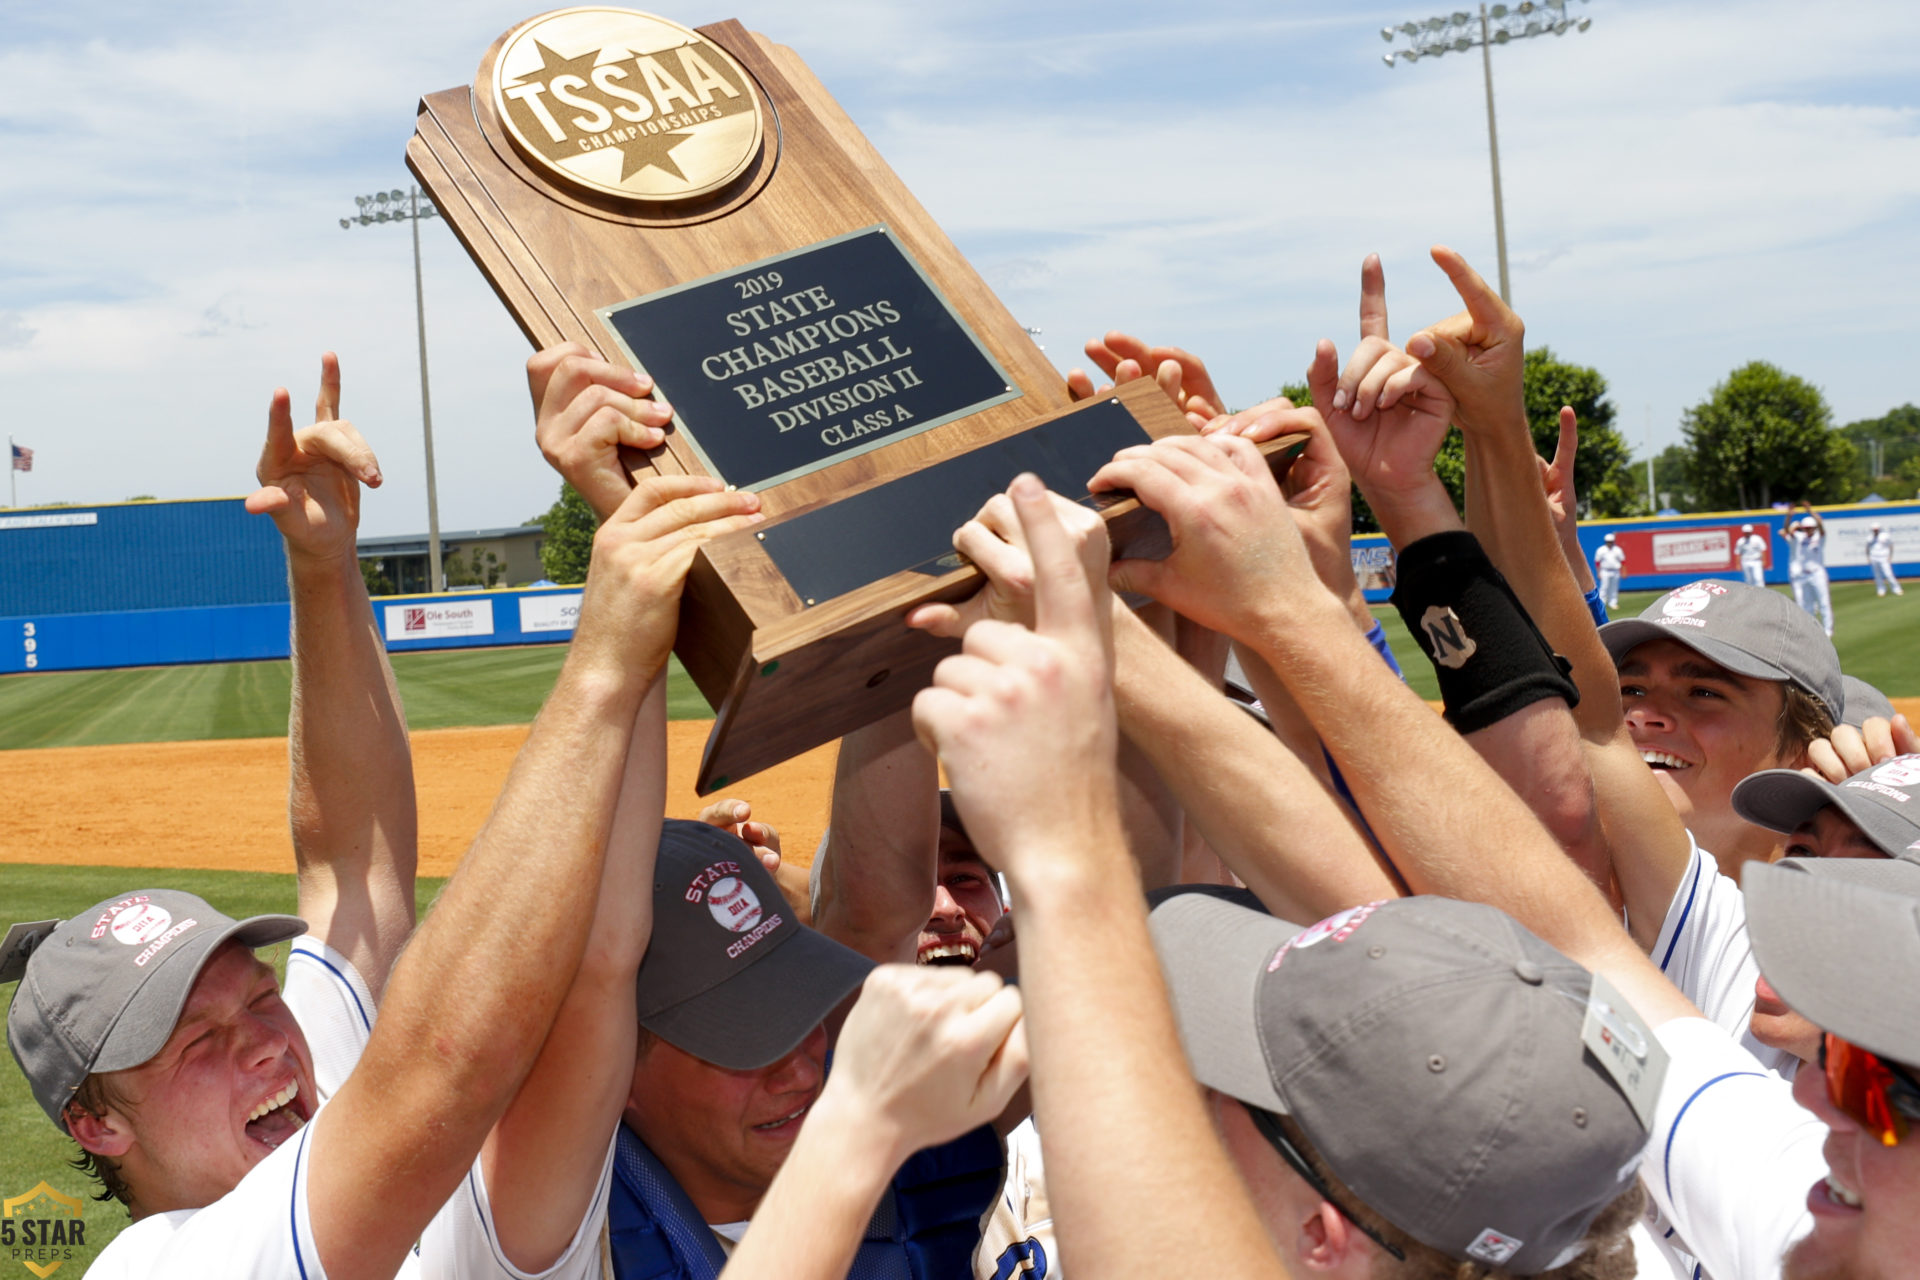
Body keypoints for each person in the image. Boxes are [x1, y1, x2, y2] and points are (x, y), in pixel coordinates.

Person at [3, 355, 762, 1280]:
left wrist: (322, 565)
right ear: (95, 1123)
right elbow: (445, 1063)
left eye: (259, 996)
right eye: (196, 1043)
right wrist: (603, 664)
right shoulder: (164, 1266)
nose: (264, 1044)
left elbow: (352, 870)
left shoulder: (301, 1095)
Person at [1867, 521, 1901, 595]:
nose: (1875, 531)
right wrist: (1868, 557)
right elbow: (1867, 548)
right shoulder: (1870, 537)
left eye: (1876, 529)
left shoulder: (1885, 536)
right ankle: (1881, 589)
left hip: (1884, 557)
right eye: (1874, 530)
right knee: (1877, 575)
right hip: (1874, 557)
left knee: (1888, 574)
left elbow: (1891, 545)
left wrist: (1890, 556)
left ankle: (1896, 588)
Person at [1594, 531, 1625, 609]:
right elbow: (1597, 562)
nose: (1609, 543)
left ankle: (1613, 603)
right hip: (1605, 571)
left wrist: (1624, 571)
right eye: (1608, 542)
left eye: (1611, 542)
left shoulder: (1617, 550)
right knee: (1604, 587)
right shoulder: (1601, 550)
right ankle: (1602, 603)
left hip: (1615, 571)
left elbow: (1623, 561)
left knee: (1614, 587)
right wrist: (1598, 573)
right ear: (1605, 542)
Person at [1735, 522, 1768, 588]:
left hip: (1756, 561)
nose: (1747, 533)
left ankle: (1762, 594)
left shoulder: (1757, 539)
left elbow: (1763, 549)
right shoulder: (1741, 541)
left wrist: (1764, 560)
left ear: (1751, 531)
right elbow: (1737, 553)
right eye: (1746, 532)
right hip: (1745, 561)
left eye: (1748, 532)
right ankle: (1751, 595)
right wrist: (1738, 564)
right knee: (1748, 580)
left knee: (1758, 578)